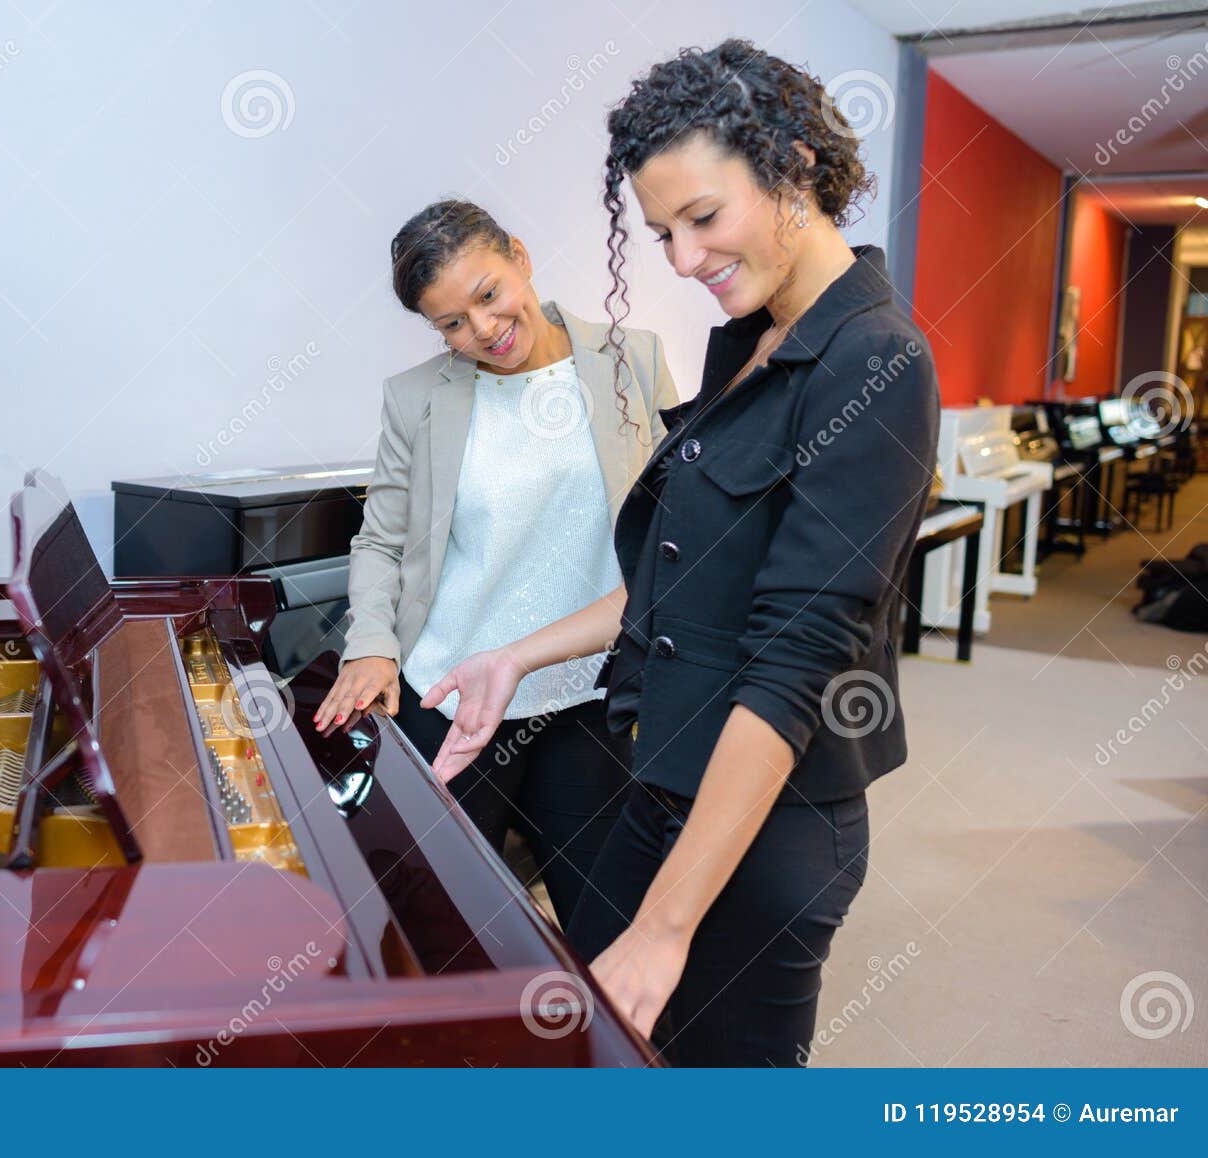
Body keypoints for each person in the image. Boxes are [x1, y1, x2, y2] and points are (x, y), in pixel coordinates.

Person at [421, 42, 941, 1066]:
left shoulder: (877, 360)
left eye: (703, 219)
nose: (682, 260)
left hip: (759, 832)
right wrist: (513, 655)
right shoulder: (742, 339)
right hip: (659, 784)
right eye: (661, 232)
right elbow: (680, 580)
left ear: (794, 169)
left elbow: (794, 661)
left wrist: (665, 928)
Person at [315, 198, 677, 929]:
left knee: (607, 926)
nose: (482, 330)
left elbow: (675, 531)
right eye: (451, 322)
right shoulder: (415, 398)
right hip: (452, 694)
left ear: (519, 256)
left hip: (591, 694)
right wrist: (372, 646)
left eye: (488, 295)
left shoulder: (630, 360)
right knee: (440, 924)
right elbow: (380, 539)